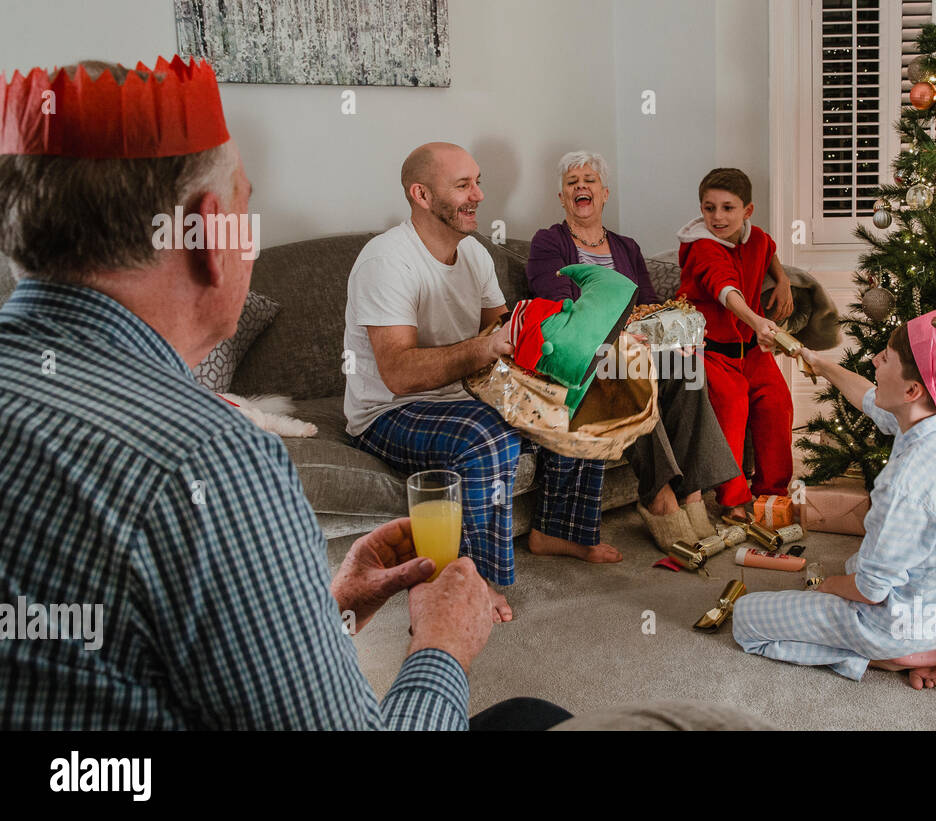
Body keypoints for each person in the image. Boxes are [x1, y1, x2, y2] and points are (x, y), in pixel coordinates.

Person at [0, 58, 547, 729]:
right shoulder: (209, 461)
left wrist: (324, 609)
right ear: (208, 232)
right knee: (533, 713)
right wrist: (440, 646)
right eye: (246, 204)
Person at [345, 143, 621, 620]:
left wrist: (563, 338)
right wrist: (486, 347)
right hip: (388, 410)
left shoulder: (473, 253)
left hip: (463, 393)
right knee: (484, 437)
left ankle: (559, 530)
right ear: (422, 195)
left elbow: (503, 329)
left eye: (478, 181)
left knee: (578, 394)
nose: (478, 195)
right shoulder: (386, 261)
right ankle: (471, 581)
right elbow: (399, 373)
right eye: (463, 186)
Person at [732, 311, 936, 689]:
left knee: (747, 620)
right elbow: (869, 398)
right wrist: (821, 364)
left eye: (886, 357)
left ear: (912, 391)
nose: (875, 359)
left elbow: (870, 591)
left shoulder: (908, 481)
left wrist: (829, 587)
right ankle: (929, 643)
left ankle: (896, 657)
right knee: (859, 565)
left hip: (910, 622)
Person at [526, 151, 740, 548]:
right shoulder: (547, 243)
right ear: (562, 198)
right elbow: (559, 299)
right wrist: (622, 329)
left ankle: (691, 492)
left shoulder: (626, 247)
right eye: (572, 182)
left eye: (589, 180)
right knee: (629, 373)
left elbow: (649, 301)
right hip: (584, 355)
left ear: (604, 194)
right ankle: (659, 498)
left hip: (635, 345)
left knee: (686, 369)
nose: (581, 187)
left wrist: (661, 332)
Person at [675, 168, 795, 517]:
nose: (717, 217)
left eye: (728, 208)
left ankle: (771, 494)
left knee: (777, 402)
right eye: (709, 208)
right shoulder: (702, 248)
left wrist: (782, 278)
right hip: (711, 351)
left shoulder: (754, 237)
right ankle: (732, 498)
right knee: (731, 406)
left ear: (747, 211)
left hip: (752, 353)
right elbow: (725, 289)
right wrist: (758, 321)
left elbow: (767, 247)